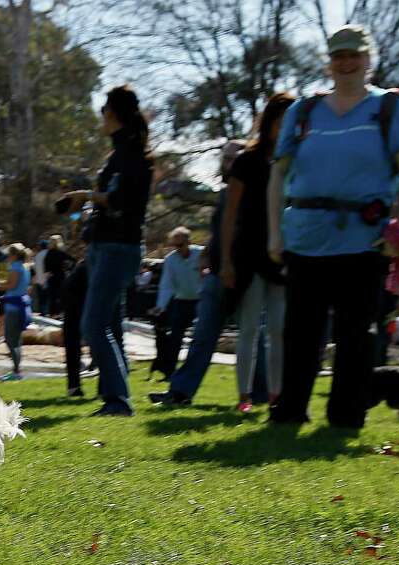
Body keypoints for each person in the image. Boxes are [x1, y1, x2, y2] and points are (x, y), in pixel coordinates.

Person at [267, 26, 399, 428]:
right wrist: (274, 232)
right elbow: (277, 174)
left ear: (368, 59)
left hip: (365, 241)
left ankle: (345, 416)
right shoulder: (303, 111)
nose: (346, 62)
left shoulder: (390, 109)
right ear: (329, 61)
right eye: (338, 55)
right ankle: (289, 413)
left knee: (355, 335)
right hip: (305, 237)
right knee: (300, 332)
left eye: (354, 54)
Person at [150, 141, 270, 407]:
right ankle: (180, 392)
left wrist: (230, 266)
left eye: (233, 158)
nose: (228, 163)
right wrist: (208, 255)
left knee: (253, 336)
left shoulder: (252, 194)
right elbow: (221, 233)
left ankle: (262, 393)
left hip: (243, 275)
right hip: (216, 274)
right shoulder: (226, 193)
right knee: (203, 337)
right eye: (225, 158)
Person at [59, 85, 155, 416]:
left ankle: (118, 401)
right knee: (110, 324)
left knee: (93, 323)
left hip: (119, 248)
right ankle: (115, 394)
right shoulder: (120, 153)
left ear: (112, 114)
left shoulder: (131, 155)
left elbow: (122, 201)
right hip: (105, 246)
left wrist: (86, 195)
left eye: (103, 111)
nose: (101, 117)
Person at [220, 93, 295, 413]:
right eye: (280, 120)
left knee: (279, 328)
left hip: (282, 252)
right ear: (269, 122)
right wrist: (225, 259)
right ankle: (244, 395)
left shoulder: (297, 159)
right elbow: (230, 214)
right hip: (250, 253)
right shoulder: (247, 161)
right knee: (250, 327)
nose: (284, 127)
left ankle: (277, 393)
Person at [150, 227, 202, 381]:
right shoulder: (170, 260)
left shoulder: (202, 254)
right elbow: (167, 285)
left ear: (189, 242)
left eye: (180, 245)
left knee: (199, 338)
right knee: (175, 338)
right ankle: (169, 373)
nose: (177, 249)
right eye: (174, 245)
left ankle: (193, 372)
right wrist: (161, 306)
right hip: (181, 301)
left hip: (201, 301)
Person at [0, 243, 32, 381]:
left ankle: (16, 371)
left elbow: (11, 285)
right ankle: (16, 371)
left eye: (9, 254)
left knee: (11, 339)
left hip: (14, 308)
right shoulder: (25, 267)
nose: (7, 257)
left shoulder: (16, 267)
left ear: (14, 255)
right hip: (21, 306)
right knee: (17, 340)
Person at [62, 258, 89, 397]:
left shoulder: (81, 268)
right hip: (80, 310)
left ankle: (73, 386)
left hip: (74, 313)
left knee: (72, 348)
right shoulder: (86, 268)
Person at [44, 234, 72, 317]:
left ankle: (52, 314)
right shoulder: (62, 253)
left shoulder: (49, 253)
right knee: (61, 295)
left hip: (51, 276)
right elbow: (72, 260)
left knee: (52, 296)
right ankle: (60, 313)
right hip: (61, 275)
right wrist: (67, 269)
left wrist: (48, 273)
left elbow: (46, 266)